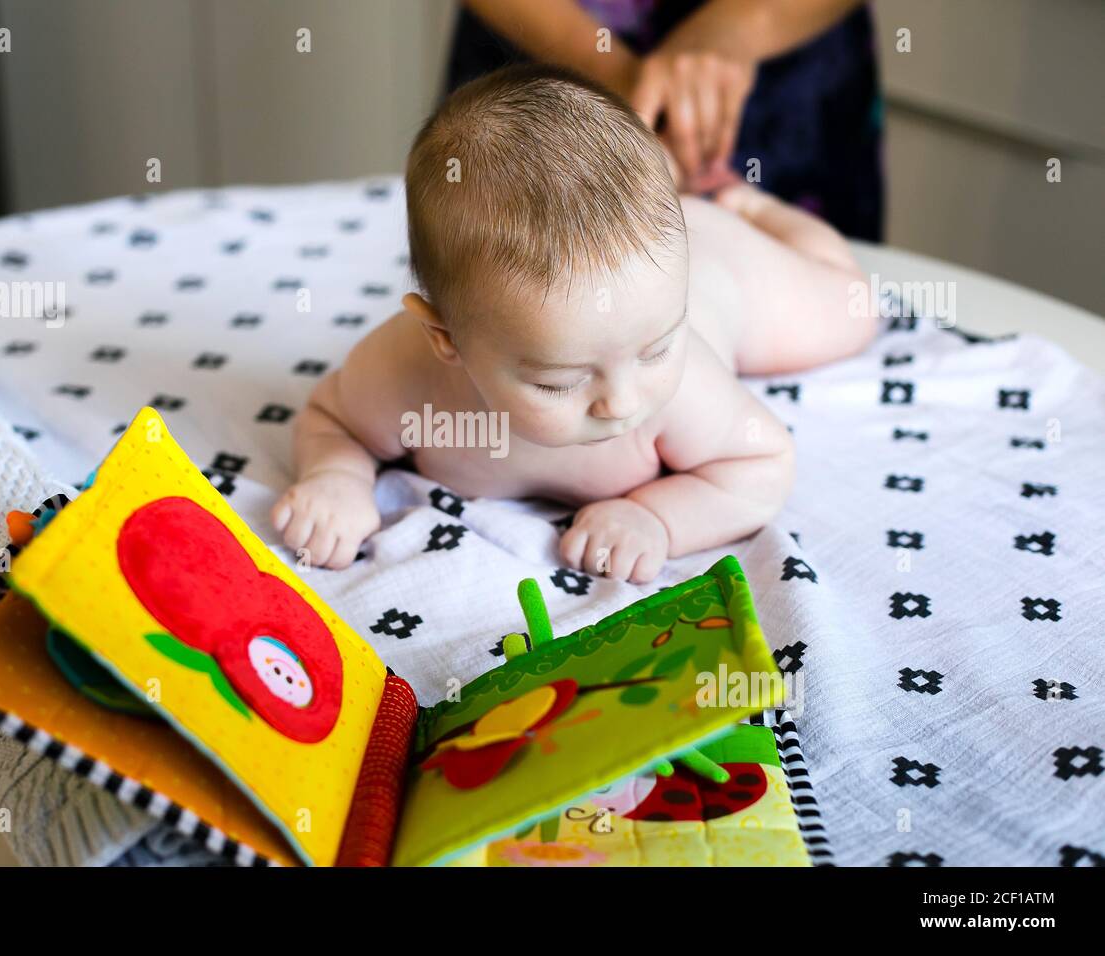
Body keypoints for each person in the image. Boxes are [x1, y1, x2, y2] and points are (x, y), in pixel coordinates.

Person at [272, 66, 874, 582]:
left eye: (658, 348)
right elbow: (331, 417)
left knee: (851, 311)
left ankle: (750, 209)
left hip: (726, 269)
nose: (622, 401)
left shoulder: (683, 389)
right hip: (656, 269)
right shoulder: (400, 376)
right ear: (445, 339)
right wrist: (336, 478)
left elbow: (761, 464)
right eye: (560, 382)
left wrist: (659, 518)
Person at [446, 0, 883, 241]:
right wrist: (613, 73)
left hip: (794, 79)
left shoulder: (777, 271)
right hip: (532, 59)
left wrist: (742, 24)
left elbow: (846, 308)